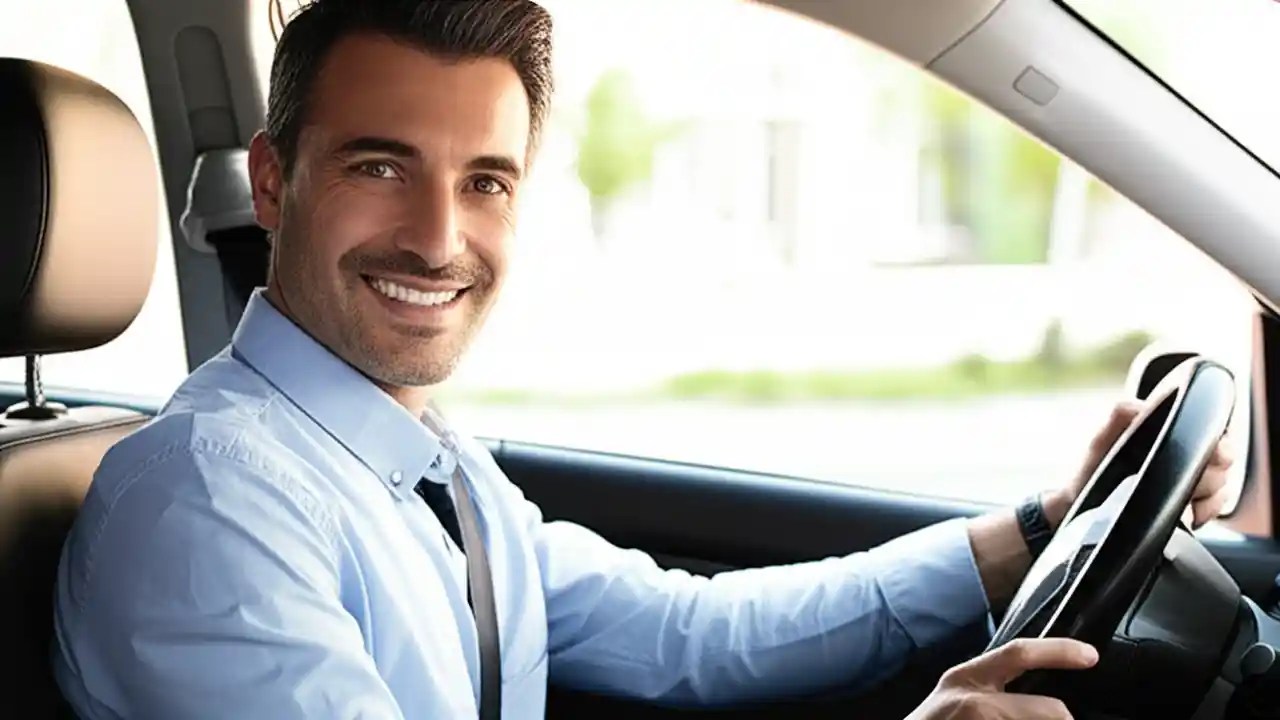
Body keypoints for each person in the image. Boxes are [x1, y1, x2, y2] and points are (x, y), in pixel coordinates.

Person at [50, 1, 1234, 718]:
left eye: (485, 182)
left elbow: (690, 637)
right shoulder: (208, 505)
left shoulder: (416, 461)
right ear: (273, 183)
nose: (437, 238)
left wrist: (1035, 528)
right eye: (378, 166)